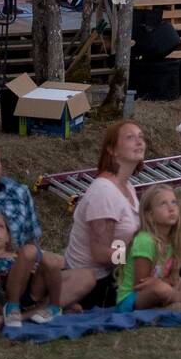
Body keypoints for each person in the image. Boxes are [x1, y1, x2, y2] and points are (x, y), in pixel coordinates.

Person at [62, 121, 146, 308]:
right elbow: (100, 254)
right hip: (93, 284)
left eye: (141, 137)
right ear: (112, 150)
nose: (139, 142)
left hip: (115, 274)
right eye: (130, 137)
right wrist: (140, 258)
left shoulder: (127, 187)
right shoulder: (104, 191)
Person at [115, 185, 181, 313]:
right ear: (150, 214)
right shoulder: (145, 240)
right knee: (160, 288)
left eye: (174, 202)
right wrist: (166, 283)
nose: (171, 208)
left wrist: (173, 281)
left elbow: (173, 279)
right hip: (132, 300)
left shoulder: (173, 238)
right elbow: (140, 285)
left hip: (165, 291)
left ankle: (171, 306)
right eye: (163, 204)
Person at [0, 145, 64, 325]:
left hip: (21, 269)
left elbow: (32, 241)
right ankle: (25, 312)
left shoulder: (18, 192)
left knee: (78, 273)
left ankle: (36, 309)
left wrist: (34, 261)